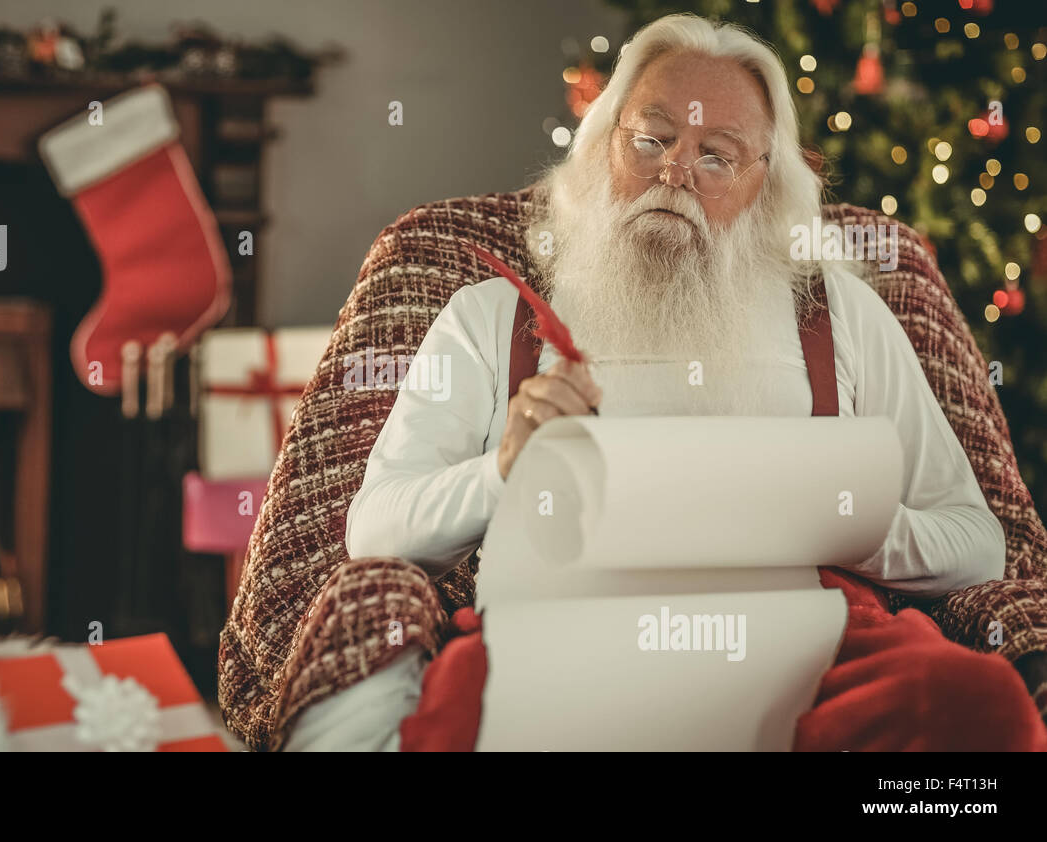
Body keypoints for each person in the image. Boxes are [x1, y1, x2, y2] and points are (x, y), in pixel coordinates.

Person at [284, 13, 1045, 752]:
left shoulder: (840, 312)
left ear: (765, 185)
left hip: (818, 643)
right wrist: (503, 471)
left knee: (976, 706)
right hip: (560, 638)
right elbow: (375, 529)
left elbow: (977, 544)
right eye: (651, 140)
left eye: (717, 156)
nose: (675, 172)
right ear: (601, 147)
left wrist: (841, 520)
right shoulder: (489, 317)